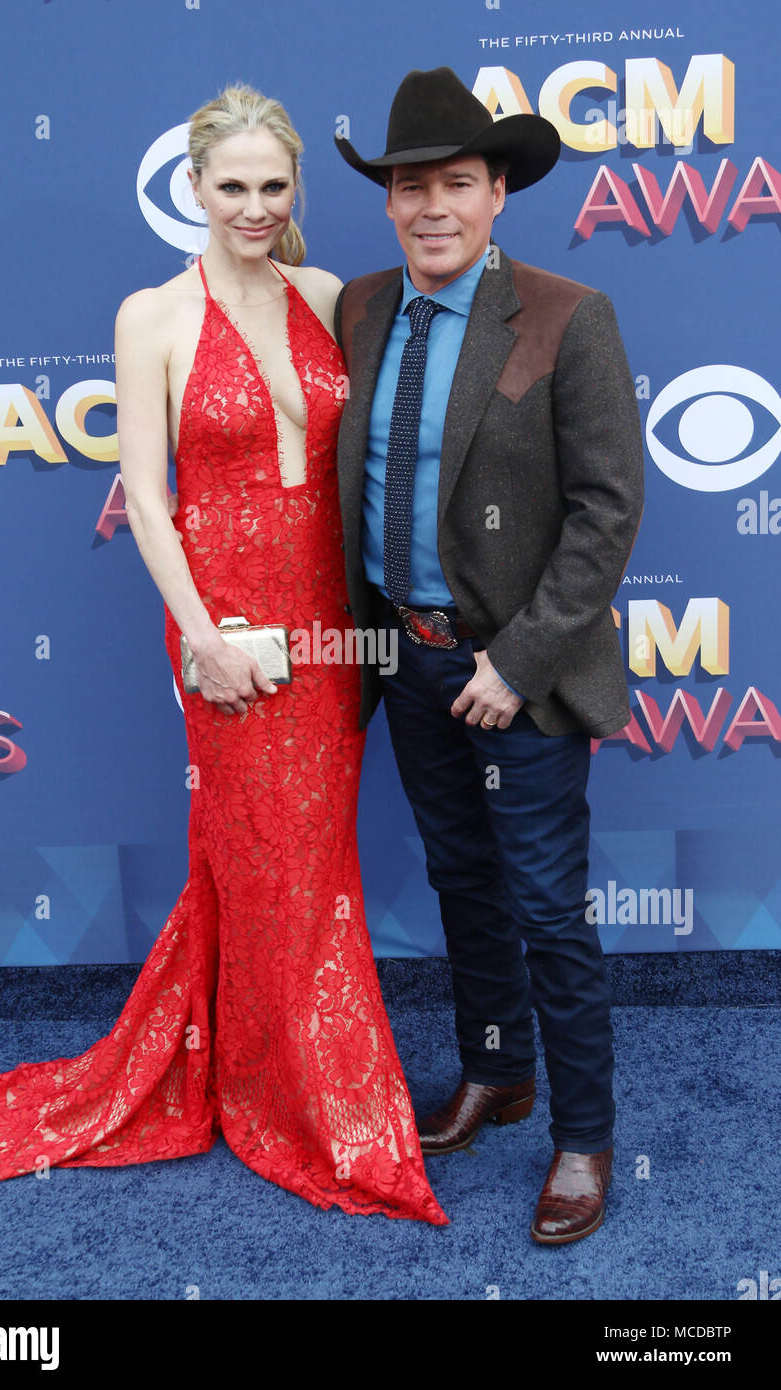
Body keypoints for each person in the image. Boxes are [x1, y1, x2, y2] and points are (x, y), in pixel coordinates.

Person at [0, 83, 448, 1228]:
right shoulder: (152, 314)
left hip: (329, 622)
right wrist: (205, 638)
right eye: (235, 186)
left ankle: (256, 1071)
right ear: (195, 187)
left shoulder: (329, 295)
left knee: (297, 861)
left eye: (276, 187)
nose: (256, 206)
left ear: (296, 191)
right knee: (274, 852)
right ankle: (319, 1110)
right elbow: (150, 501)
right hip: (224, 624)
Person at [332, 66, 643, 1243]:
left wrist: (514, 662)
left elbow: (609, 512)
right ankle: (498, 1072)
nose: (432, 207)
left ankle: (583, 1137)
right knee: (462, 884)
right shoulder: (360, 308)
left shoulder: (569, 315)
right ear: (392, 198)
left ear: (497, 189)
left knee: (547, 910)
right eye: (411, 186)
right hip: (407, 661)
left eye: (455, 183)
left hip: (519, 674)